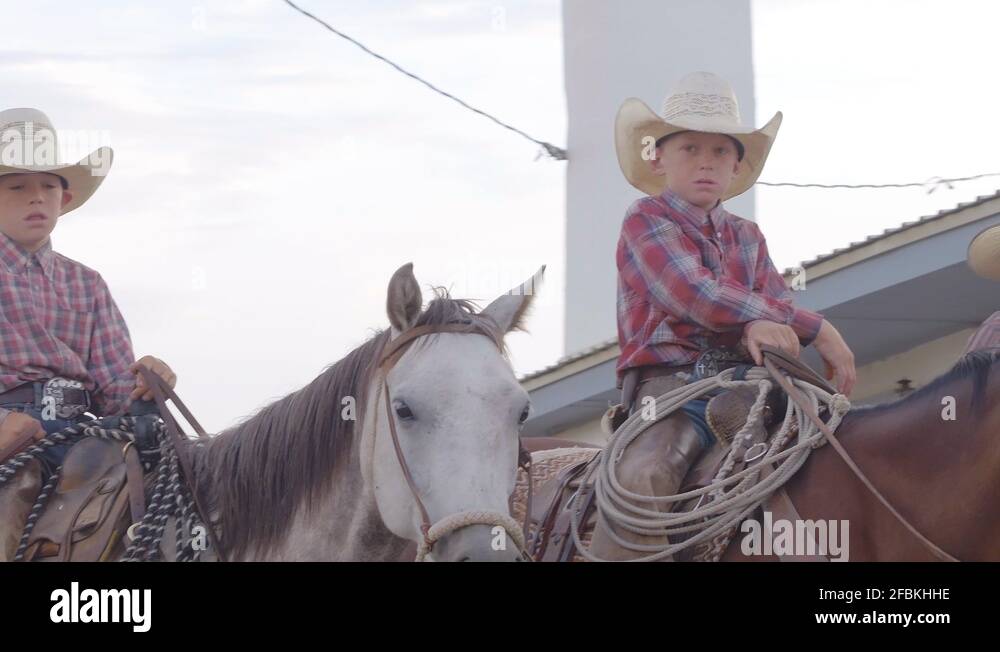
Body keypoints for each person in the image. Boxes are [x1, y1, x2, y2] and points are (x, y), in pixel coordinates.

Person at [612, 72, 857, 510]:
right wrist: (812, 328)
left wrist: (765, 322)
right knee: (643, 480)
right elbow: (694, 294)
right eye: (690, 148)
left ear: (736, 166)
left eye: (721, 151)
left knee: (845, 450)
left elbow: (775, 305)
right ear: (658, 159)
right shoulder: (644, 219)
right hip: (669, 388)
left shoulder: (748, 235)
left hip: (752, 381)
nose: (706, 162)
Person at [0, 107, 177, 559]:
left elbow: (115, 391)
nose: (35, 198)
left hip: (85, 437)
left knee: (179, 492)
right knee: (11, 501)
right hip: (10, 433)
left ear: (65, 198)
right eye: (18, 187)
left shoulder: (87, 284)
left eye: (48, 187)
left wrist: (145, 383)